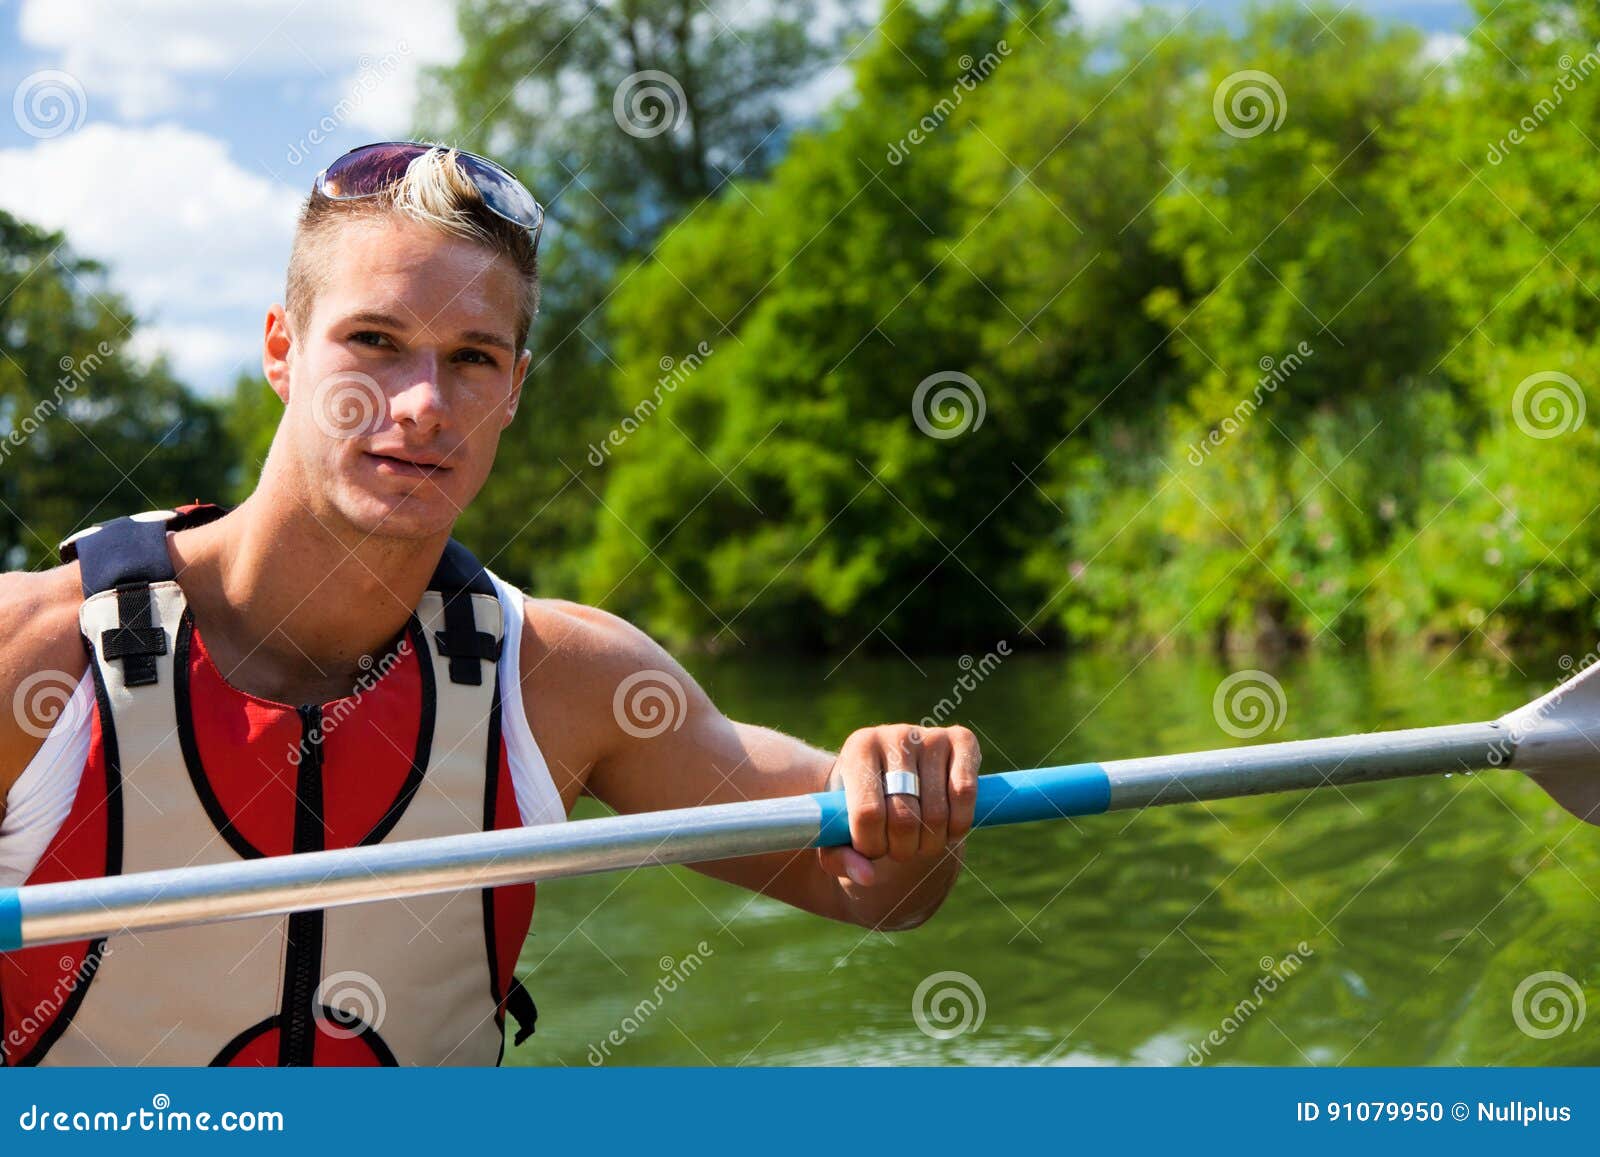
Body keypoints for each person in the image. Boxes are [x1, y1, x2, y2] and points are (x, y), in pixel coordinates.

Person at [0, 142, 980, 1066]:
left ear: (512, 387)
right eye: (376, 339)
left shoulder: (571, 681)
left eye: (472, 357)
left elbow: (873, 888)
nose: (424, 403)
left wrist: (901, 792)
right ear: (282, 348)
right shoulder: (33, 656)